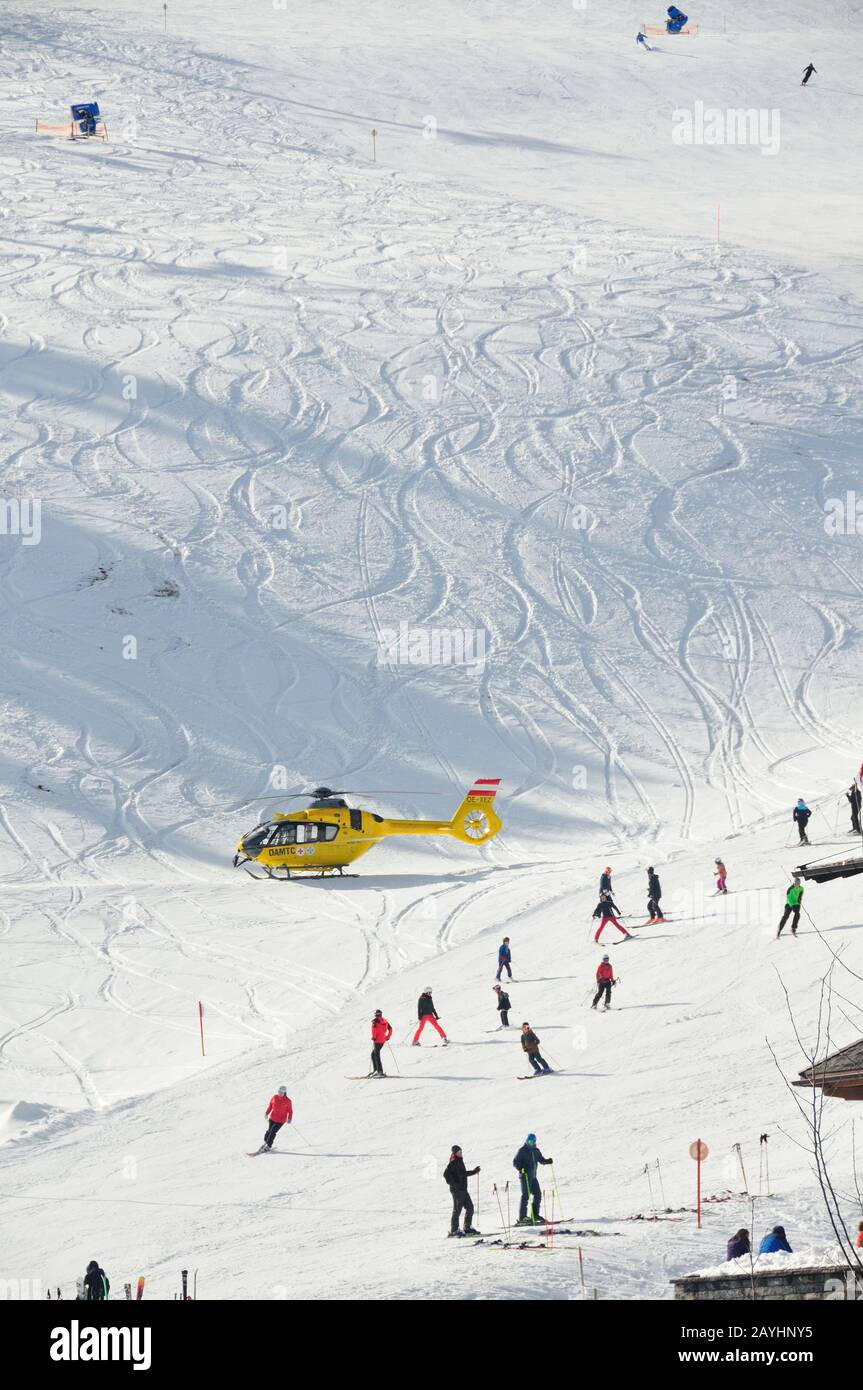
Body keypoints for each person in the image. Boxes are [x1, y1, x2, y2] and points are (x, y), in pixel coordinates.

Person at [513, 1133, 553, 1225]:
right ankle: (522, 1217)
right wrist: (521, 1168)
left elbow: (541, 1159)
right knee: (525, 1196)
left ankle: (534, 1215)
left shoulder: (536, 1150)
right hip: (525, 1176)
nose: (531, 1143)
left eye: (533, 1141)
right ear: (526, 1141)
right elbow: (515, 1162)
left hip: (533, 1176)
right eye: (529, 1141)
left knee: (538, 1194)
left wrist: (547, 1161)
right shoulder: (522, 1150)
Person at [443, 1145, 481, 1237]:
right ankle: (454, 1230)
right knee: (457, 1210)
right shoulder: (453, 1162)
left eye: (461, 1152)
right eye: (459, 1152)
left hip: (463, 1190)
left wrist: (474, 1171)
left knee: (470, 1207)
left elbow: (463, 1174)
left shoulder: (460, 1161)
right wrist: (455, 1185)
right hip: (457, 1191)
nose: (460, 1153)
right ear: (455, 1153)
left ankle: (467, 1228)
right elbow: (446, 1175)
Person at [370, 1009, 392, 1076]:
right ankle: (376, 1070)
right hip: (382, 1040)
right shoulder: (385, 1021)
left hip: (377, 1040)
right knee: (373, 1054)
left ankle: (379, 1071)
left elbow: (374, 1030)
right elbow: (390, 1029)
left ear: (376, 1014)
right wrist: (388, 1037)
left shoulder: (375, 1022)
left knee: (376, 1055)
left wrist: (374, 1037)